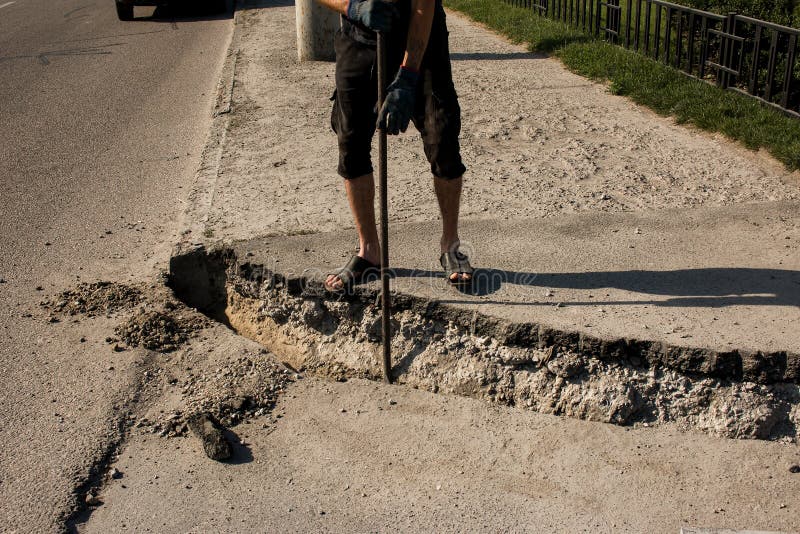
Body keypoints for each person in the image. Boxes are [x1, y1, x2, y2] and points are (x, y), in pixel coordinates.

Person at [316, 0, 473, 291]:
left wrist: (409, 74)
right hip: (360, 38)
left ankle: (450, 245)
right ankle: (369, 251)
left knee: (443, 140)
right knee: (350, 144)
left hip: (422, 39)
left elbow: (423, 4)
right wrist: (352, 7)